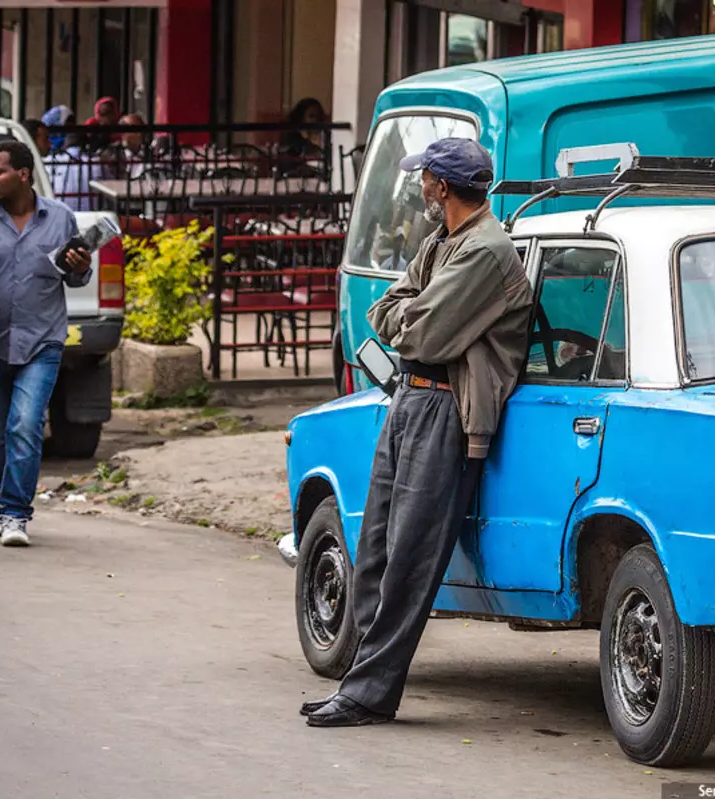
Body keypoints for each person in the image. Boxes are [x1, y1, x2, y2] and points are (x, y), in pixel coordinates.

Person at [301, 138, 533, 727]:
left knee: (410, 558)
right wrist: (410, 317)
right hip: (409, 398)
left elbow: (421, 335)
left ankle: (369, 695)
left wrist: (409, 318)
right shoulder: (442, 242)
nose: (419, 187)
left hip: (445, 412)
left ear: (443, 186)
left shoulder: (484, 250)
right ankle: (359, 681)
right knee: (374, 549)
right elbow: (389, 309)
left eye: (424, 178)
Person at [0, 141, 92, 547]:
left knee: (24, 426)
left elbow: (75, 276)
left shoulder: (60, 218)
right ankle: (2, 501)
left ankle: (15, 514)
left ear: (23, 175)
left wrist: (81, 268)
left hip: (43, 341)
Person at [277, 97, 327, 179]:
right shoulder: (291, 139)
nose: (315, 120)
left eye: (318, 117)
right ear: (301, 117)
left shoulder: (325, 137)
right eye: (311, 116)